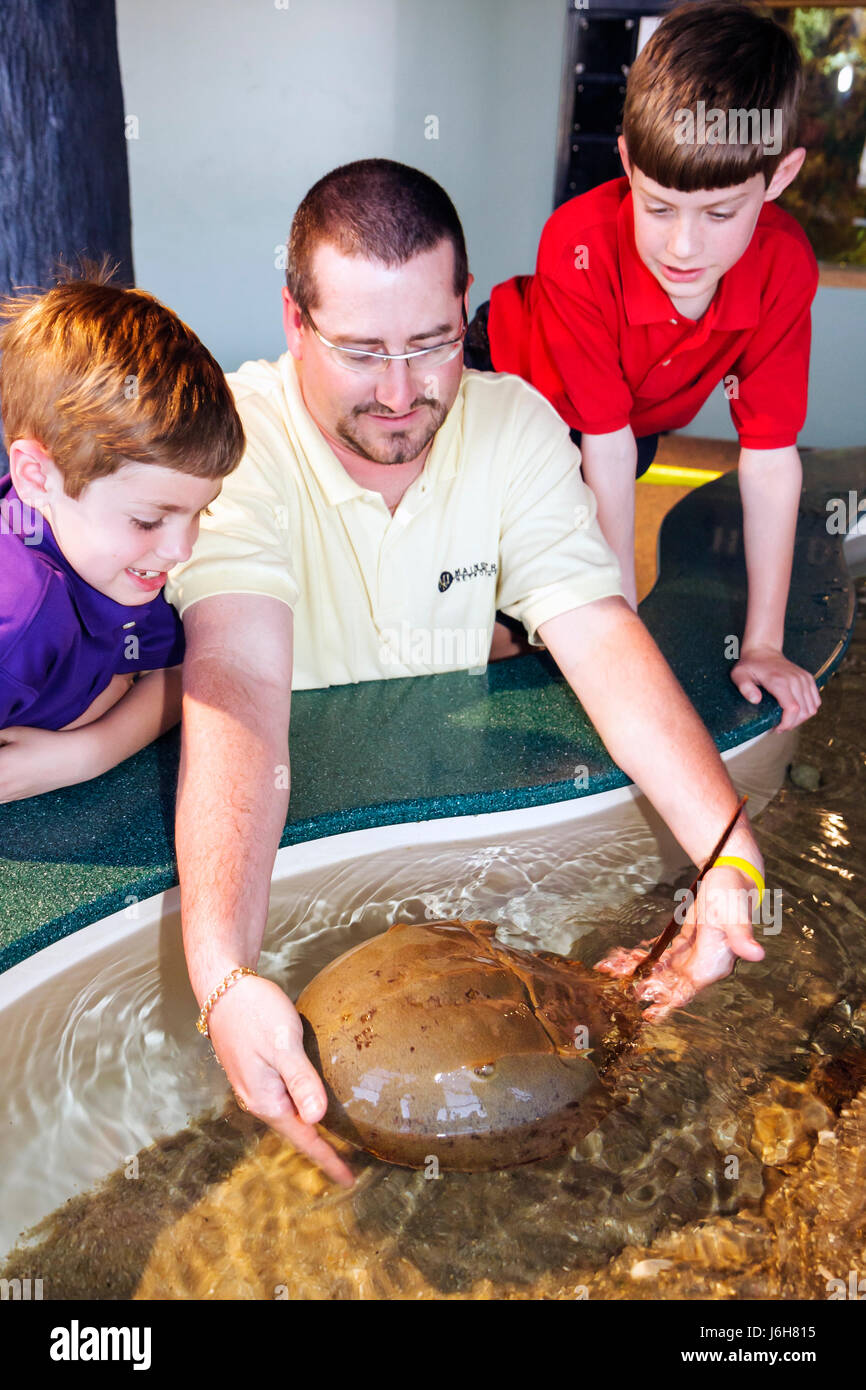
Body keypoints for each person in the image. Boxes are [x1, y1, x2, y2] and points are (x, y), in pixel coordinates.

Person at [167, 158, 769, 1187]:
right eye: (360, 352)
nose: (400, 394)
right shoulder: (237, 440)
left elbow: (600, 637)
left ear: (466, 307)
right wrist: (221, 973)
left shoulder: (515, 425)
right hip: (299, 827)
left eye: (430, 345)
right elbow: (239, 691)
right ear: (293, 319)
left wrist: (730, 860)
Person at [469, 0, 821, 732]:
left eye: (720, 214)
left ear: (780, 176)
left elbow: (770, 460)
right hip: (506, 392)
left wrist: (763, 643)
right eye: (657, 208)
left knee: (554, 603)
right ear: (627, 160)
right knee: (491, 603)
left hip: (632, 423)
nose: (683, 249)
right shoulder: (578, 243)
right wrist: (622, 634)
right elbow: (598, 439)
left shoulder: (786, 266)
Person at [0, 270, 244, 801]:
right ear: (37, 477)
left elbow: (186, 674)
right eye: (148, 520)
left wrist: (86, 752)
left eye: (203, 510)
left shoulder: (108, 564)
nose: (182, 550)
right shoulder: (20, 618)